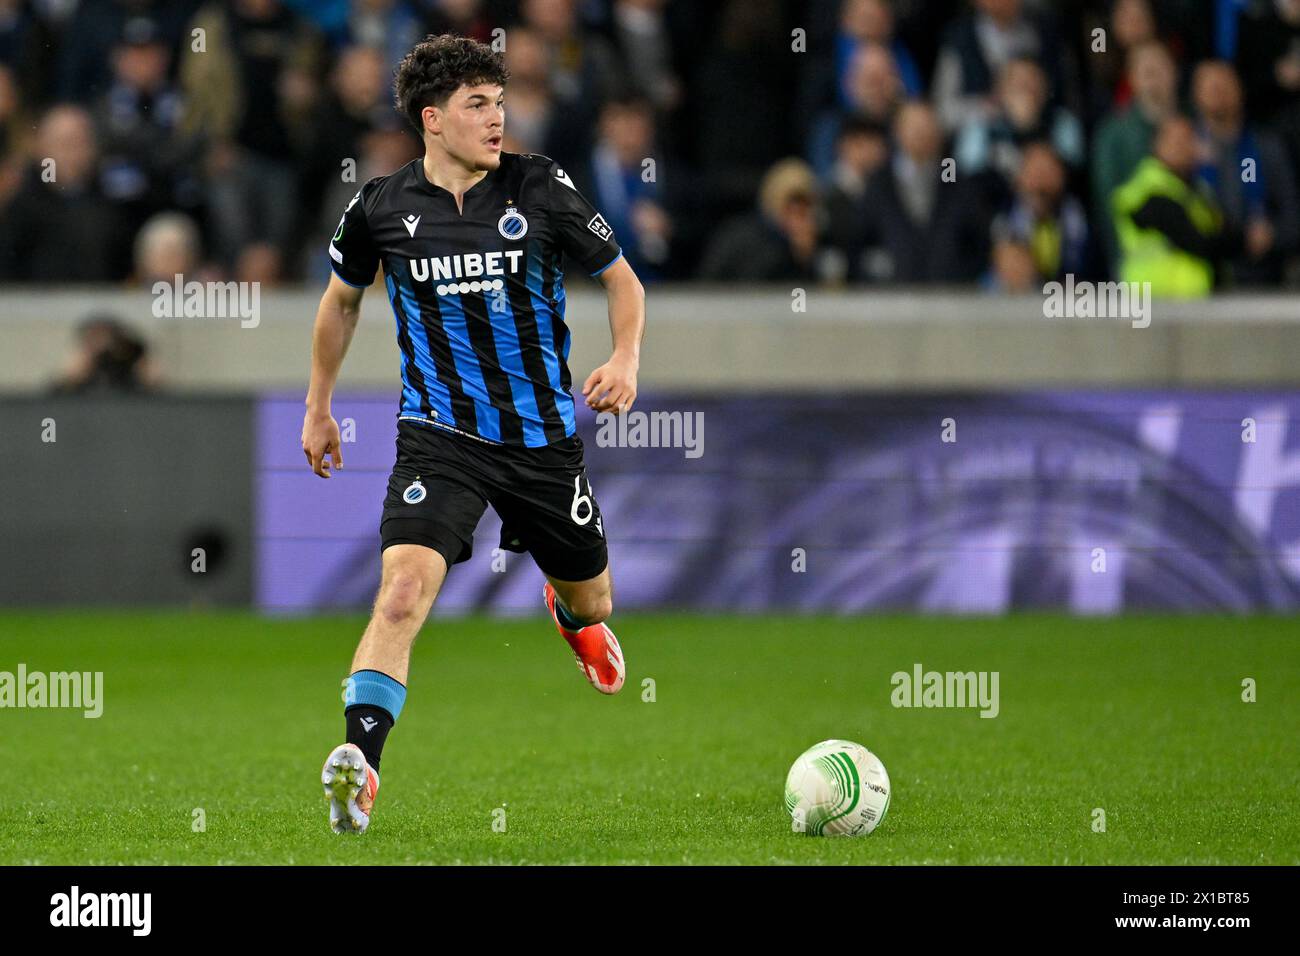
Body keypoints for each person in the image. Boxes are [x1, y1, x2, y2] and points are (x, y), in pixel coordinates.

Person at [303, 34, 645, 834]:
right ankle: (361, 764)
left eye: (500, 103)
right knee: (401, 593)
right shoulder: (380, 207)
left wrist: (625, 357)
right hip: (439, 437)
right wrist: (318, 406)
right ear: (432, 119)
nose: (498, 119)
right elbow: (341, 302)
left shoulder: (541, 186)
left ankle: (571, 618)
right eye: (478, 105)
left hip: (540, 440)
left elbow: (621, 280)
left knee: (594, 596)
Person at [1111, 115, 1260, 297]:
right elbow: (1198, 242)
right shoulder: (1148, 191)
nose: (1182, 148)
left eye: (1188, 140)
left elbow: (1224, 226)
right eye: (1175, 141)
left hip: (1195, 297)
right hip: (1154, 298)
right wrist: (1245, 240)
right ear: (1157, 145)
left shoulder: (1197, 190)